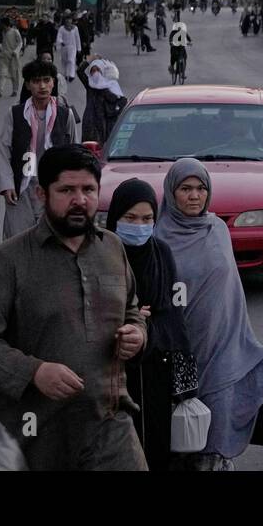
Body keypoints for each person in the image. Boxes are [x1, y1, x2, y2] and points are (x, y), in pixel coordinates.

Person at [0, 145, 148, 471]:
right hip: (35, 429)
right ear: (42, 194)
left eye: (88, 189)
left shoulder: (112, 248)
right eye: (66, 190)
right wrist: (34, 371)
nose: (80, 200)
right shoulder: (7, 261)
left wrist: (137, 333)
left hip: (108, 420)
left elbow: (131, 309)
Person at [156, 158, 263, 470]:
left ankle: (217, 460)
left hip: (224, 342)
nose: (194, 195)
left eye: (200, 188)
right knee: (187, 424)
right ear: (172, 193)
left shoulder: (218, 229)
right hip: (183, 348)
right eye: (185, 189)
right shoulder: (159, 239)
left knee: (220, 410)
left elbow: (231, 290)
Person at [108, 178, 199, 472]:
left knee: (155, 445)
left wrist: (147, 326)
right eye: (130, 218)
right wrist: (128, 318)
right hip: (110, 372)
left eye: (147, 219)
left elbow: (174, 315)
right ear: (115, 218)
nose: (139, 226)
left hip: (155, 372)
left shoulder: (162, 253)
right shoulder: (102, 255)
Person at [0, 62, 80, 240]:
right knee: (19, 239)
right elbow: (4, 150)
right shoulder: (15, 114)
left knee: (52, 239)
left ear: (53, 83)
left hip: (53, 187)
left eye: (46, 80)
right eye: (36, 81)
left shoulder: (66, 115)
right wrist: (7, 185)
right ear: (28, 85)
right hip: (22, 187)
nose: (42, 86)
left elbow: (73, 151)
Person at [82, 57, 128, 143]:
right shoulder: (90, 86)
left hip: (104, 125)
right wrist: (90, 59)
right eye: (93, 70)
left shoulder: (109, 86)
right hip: (90, 123)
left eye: (97, 70)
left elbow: (120, 101)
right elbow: (80, 71)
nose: (95, 73)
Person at [0, 16, 23, 98]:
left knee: (14, 74)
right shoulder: (3, 32)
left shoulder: (15, 31)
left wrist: (16, 51)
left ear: (5, 24)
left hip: (13, 56)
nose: (0, 26)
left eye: (1, 24)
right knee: (2, 73)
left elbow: (20, 43)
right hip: (4, 56)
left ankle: (15, 90)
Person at [55, 11, 82, 83]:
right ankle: (65, 74)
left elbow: (77, 38)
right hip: (64, 47)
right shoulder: (62, 28)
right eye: (67, 19)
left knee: (71, 60)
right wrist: (61, 42)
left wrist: (79, 48)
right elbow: (59, 36)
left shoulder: (75, 28)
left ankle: (71, 75)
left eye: (69, 19)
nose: (68, 21)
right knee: (64, 61)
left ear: (71, 20)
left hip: (72, 47)